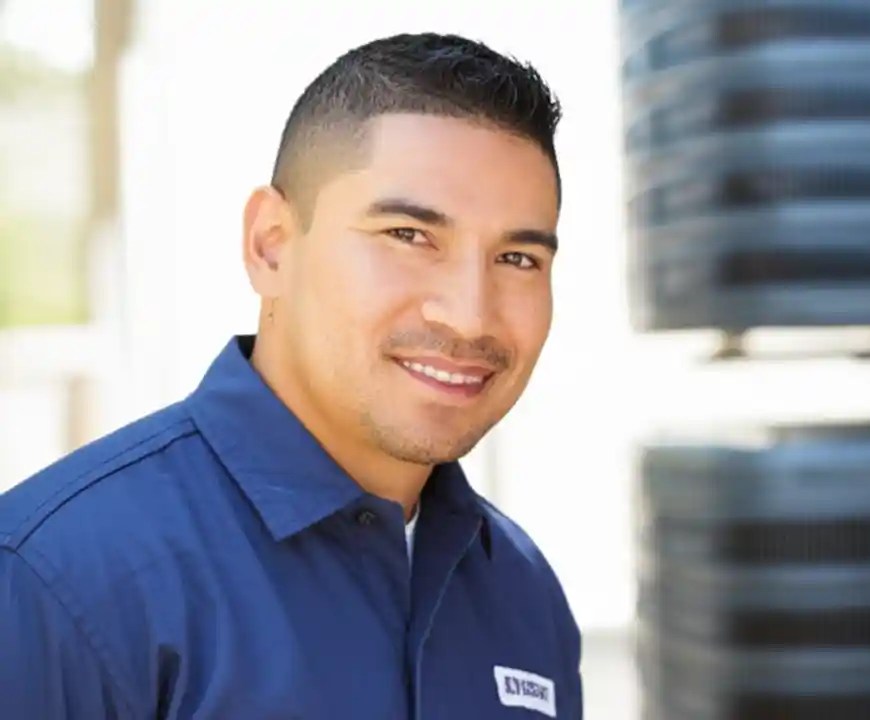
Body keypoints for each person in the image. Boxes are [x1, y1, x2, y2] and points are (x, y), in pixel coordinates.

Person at [0, 32, 580, 719]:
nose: (469, 315)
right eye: (408, 235)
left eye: (517, 258)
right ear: (271, 245)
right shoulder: (56, 581)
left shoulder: (521, 589)